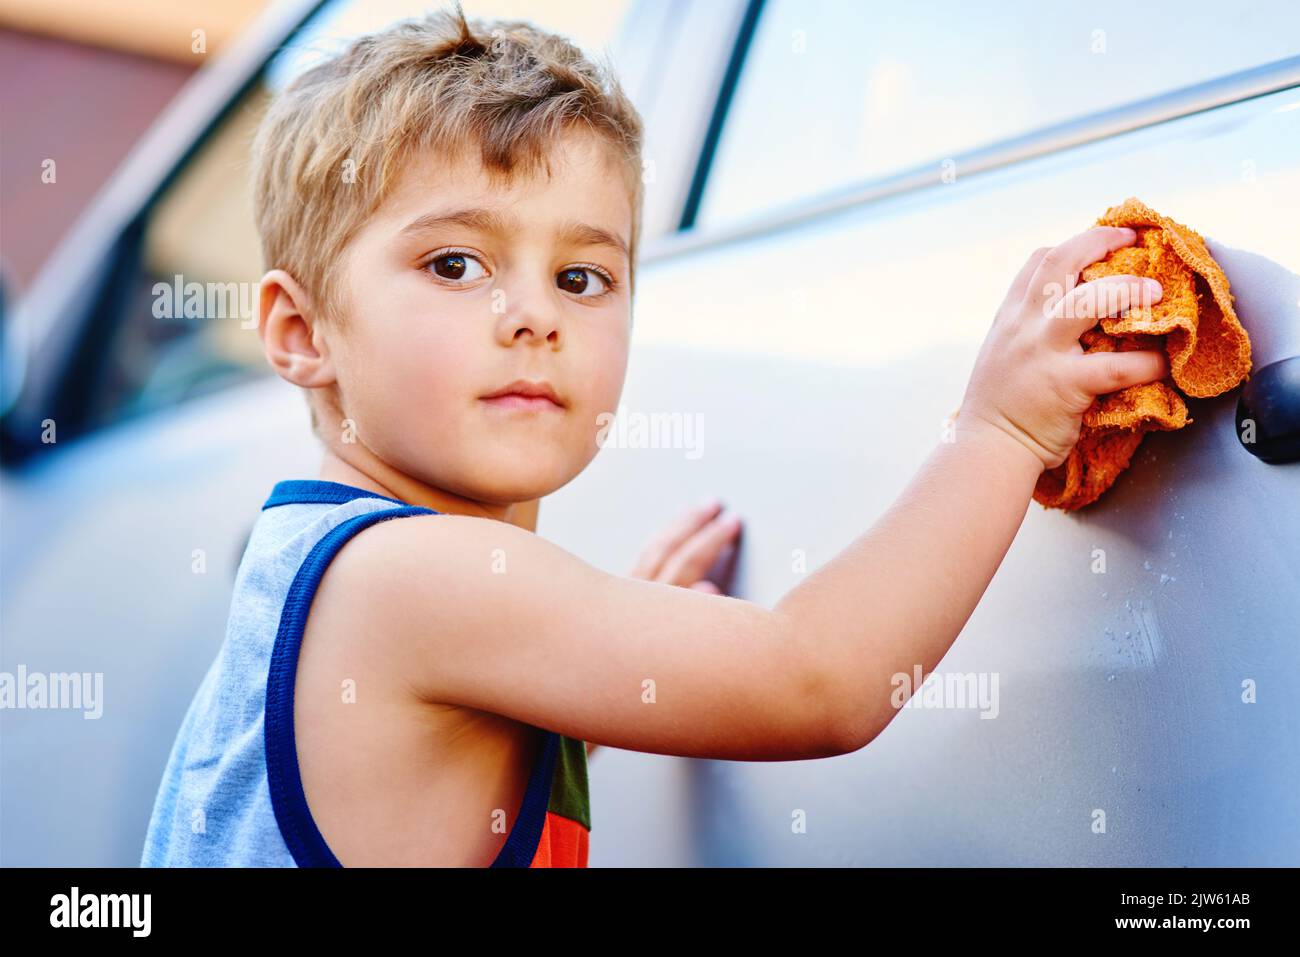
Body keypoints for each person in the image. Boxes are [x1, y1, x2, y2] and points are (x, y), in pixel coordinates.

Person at [140, 2, 1167, 867]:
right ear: (298, 330)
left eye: (580, 277)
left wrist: (610, 664)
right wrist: (996, 429)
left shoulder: (338, 570)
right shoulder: (409, 580)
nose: (532, 315)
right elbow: (818, 682)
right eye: (455, 265)